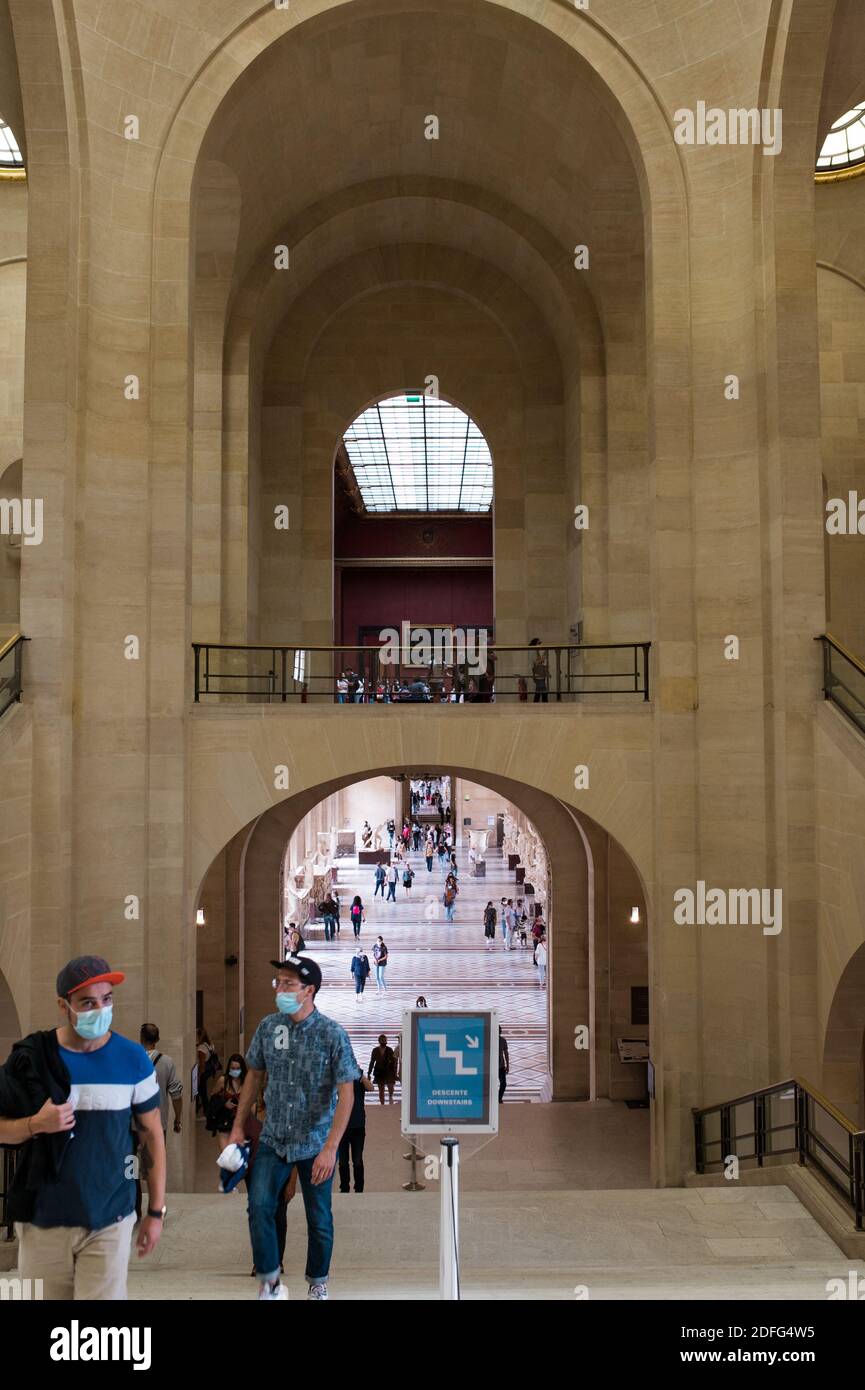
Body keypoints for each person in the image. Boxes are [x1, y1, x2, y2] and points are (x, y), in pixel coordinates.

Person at [0, 955, 164, 1300]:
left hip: (109, 1218)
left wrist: (155, 1211)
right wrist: (35, 1124)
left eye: (107, 999)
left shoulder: (133, 1059)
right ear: (64, 1005)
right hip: (43, 1220)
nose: (99, 1009)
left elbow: (152, 1135)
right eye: (87, 1002)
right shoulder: (33, 1059)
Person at [228, 955, 356, 1301]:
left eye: (288, 984)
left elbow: (347, 1094)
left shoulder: (332, 1034)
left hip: (315, 1143)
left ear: (309, 991)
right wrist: (239, 1126)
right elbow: (253, 1075)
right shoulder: (270, 1027)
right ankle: (270, 1280)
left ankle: (318, 1281)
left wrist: (330, 1148)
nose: (280, 989)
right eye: (278, 983)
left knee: (319, 1218)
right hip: (274, 1139)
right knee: (258, 1206)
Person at [132, 1023, 183, 1221]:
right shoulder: (167, 1062)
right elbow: (176, 1093)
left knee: (132, 1169)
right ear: (158, 1039)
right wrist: (178, 1118)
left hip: (133, 1126)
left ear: (141, 1038)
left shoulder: (131, 1061)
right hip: (156, 1127)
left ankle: (134, 1210)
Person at [338, 1064, 373, 1193]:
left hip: (358, 1125)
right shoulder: (340, 1077)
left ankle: (359, 1188)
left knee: (357, 1160)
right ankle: (344, 1188)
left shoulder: (360, 1078)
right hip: (341, 1126)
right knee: (342, 1161)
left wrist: (362, 1077)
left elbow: (371, 1088)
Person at [205, 1053, 248, 1151]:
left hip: (242, 1124)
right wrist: (224, 1104)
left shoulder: (246, 1082)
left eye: (238, 1068)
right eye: (233, 1068)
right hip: (225, 1123)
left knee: (240, 1158)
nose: (235, 1071)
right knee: (226, 1157)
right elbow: (212, 1100)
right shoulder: (222, 1081)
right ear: (229, 1068)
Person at [196, 1026, 219, 1117]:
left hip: (204, 1071)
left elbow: (202, 1064)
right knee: (203, 1089)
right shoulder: (210, 1045)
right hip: (210, 1070)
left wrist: (199, 1076)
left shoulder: (201, 1048)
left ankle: (207, 1108)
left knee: (202, 1090)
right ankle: (206, 1107)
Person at [368, 1035, 397, 1105]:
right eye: (382, 1040)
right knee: (381, 1090)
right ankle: (382, 1104)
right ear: (379, 1041)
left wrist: (395, 1073)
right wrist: (369, 1072)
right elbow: (372, 1061)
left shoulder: (389, 1050)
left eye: (384, 1040)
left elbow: (393, 1062)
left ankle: (390, 1096)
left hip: (389, 1072)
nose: (383, 1042)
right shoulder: (375, 1050)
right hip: (379, 1072)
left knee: (391, 1087)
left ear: (386, 1041)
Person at [529, 636, 550, 702]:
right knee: (543, 692)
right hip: (538, 674)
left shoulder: (536, 651)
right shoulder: (533, 652)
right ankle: (544, 705)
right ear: (535, 644)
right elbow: (536, 662)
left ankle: (536, 705)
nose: (541, 644)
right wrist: (543, 656)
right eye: (539, 643)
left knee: (538, 691)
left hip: (540, 673)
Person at [499, 1028, 510, 1102]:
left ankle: (499, 1098)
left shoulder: (503, 1040)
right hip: (491, 1066)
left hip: (501, 1065)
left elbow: (506, 1053)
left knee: (503, 1084)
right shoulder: (488, 1040)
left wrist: (508, 1065)